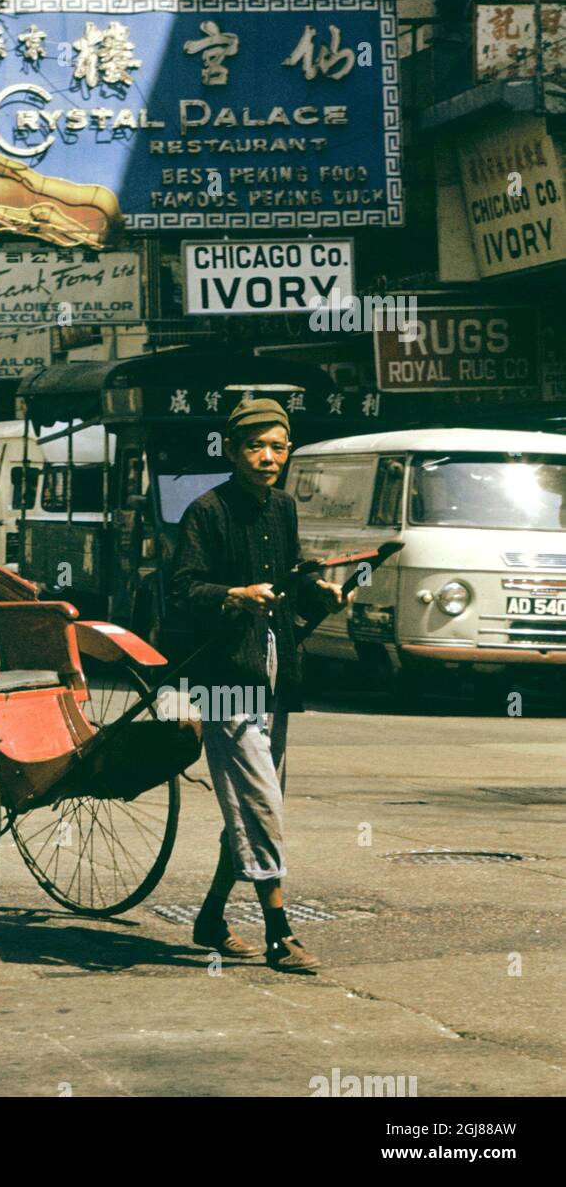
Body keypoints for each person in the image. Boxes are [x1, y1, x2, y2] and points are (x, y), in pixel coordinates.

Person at [169, 397, 347, 974]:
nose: (267, 457)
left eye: (277, 446)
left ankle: (210, 919)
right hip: (224, 676)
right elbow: (182, 590)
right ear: (231, 450)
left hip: (275, 670)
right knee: (262, 802)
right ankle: (279, 932)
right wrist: (233, 595)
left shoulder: (283, 508)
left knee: (252, 804)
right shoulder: (206, 511)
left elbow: (291, 578)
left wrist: (319, 592)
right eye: (255, 446)